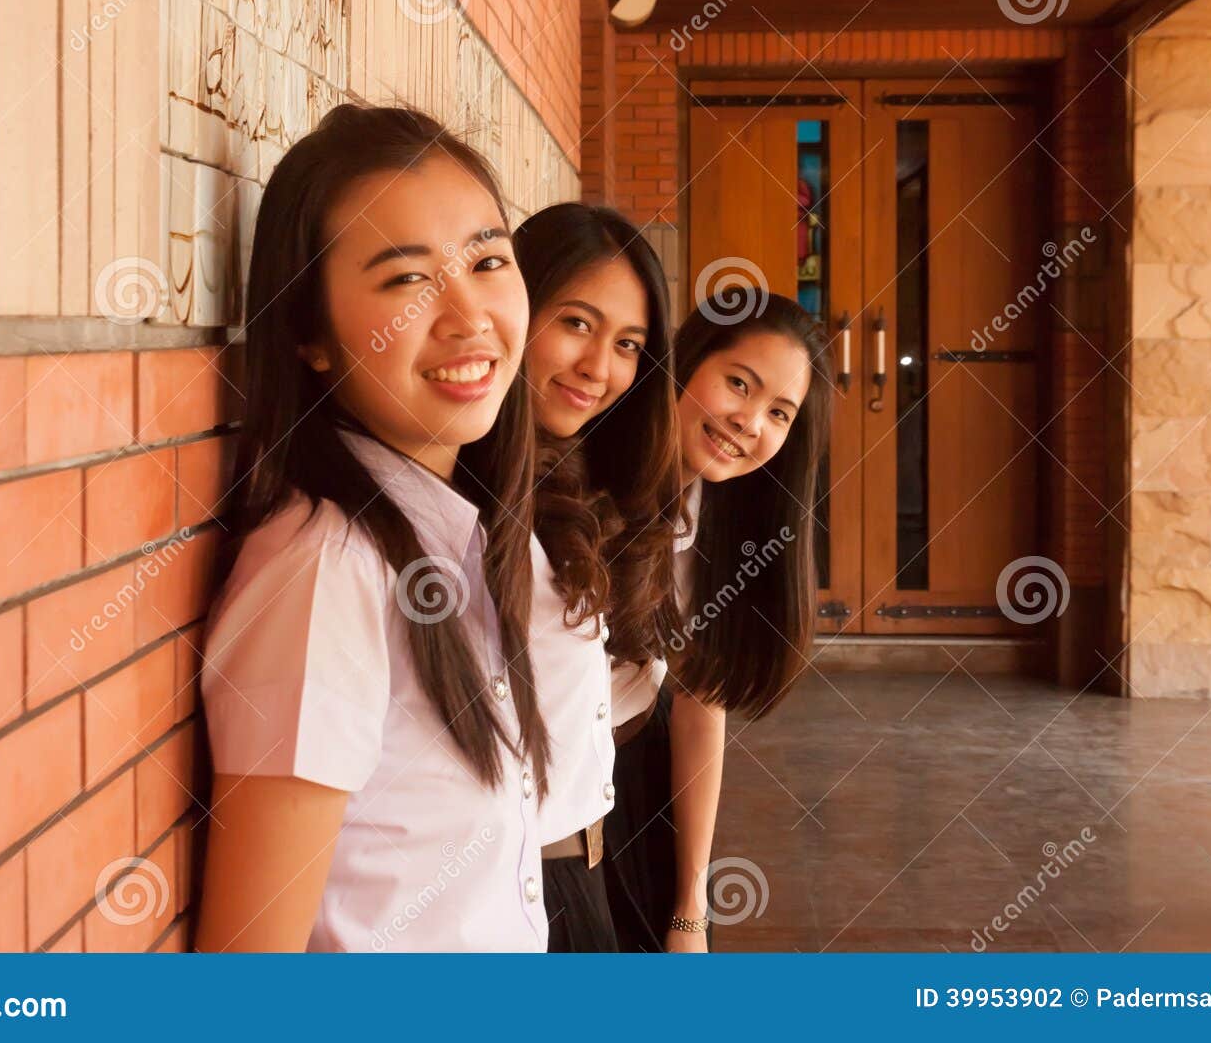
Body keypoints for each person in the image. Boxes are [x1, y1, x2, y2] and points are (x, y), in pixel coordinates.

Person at [193, 103, 554, 952]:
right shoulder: (327, 572)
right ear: (311, 334)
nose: (468, 315)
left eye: (489, 259)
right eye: (406, 281)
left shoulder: (455, 539)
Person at [604, 298, 832, 952]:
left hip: (631, 776)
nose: (748, 421)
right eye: (739, 383)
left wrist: (689, 907)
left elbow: (701, 704)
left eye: (778, 413)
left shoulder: (727, 524)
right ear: (681, 363)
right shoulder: (587, 484)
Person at [514, 203, 682, 951]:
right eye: (577, 323)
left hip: (588, 865)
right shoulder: (473, 494)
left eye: (628, 345)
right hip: (523, 879)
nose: (599, 368)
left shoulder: (598, 484)